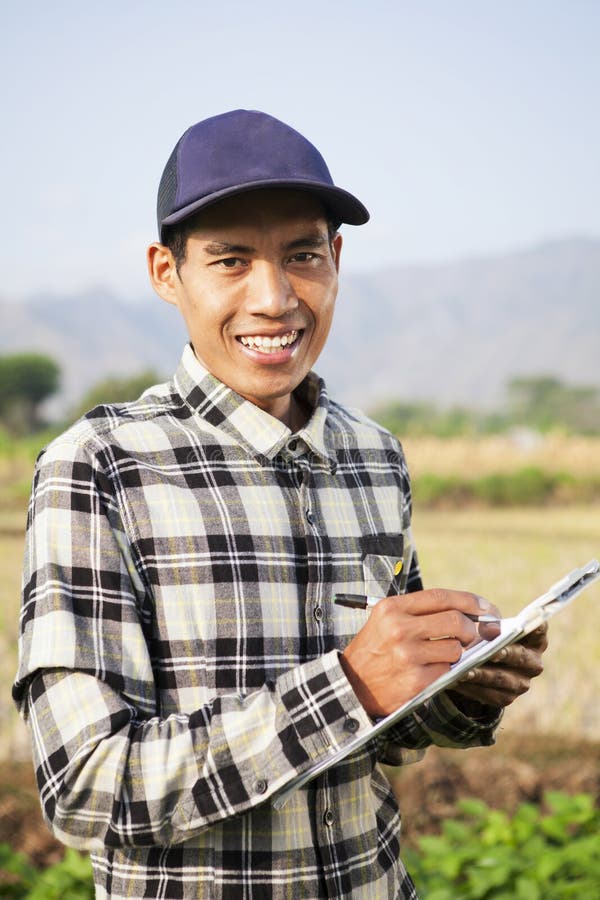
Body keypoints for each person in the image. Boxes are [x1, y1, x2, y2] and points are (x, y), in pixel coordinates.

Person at [13, 109, 547, 899]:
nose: (274, 298)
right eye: (230, 260)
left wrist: (457, 686)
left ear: (336, 259)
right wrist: (348, 685)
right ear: (167, 273)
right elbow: (86, 785)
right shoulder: (99, 467)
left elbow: (383, 731)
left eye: (302, 255)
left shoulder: (374, 456)